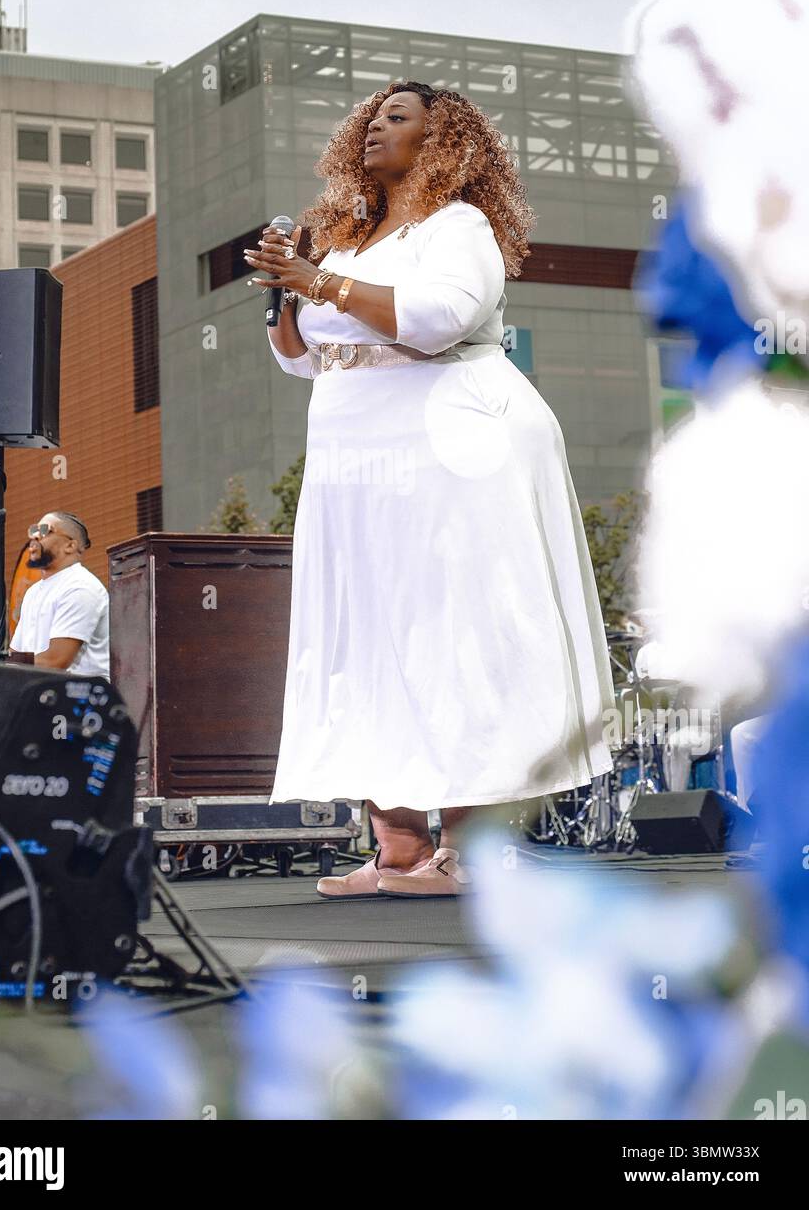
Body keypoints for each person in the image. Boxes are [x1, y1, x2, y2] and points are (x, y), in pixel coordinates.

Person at [246, 80, 614, 897]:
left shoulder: (458, 226)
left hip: (451, 441)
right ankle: (400, 851)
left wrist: (315, 282)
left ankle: (468, 850)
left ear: (445, 141)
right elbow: (302, 358)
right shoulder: (343, 236)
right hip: (352, 455)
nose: (376, 126)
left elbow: (440, 317)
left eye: (398, 117)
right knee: (363, 635)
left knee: (454, 631)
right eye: (372, 117)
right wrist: (284, 293)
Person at [8, 511, 109, 679]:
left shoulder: (80, 587)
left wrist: (4, 667)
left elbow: (55, 661)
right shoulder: (33, 592)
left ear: (70, 546)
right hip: (42, 690)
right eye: (33, 532)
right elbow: (17, 653)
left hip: (79, 696)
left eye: (45, 531)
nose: (35, 538)